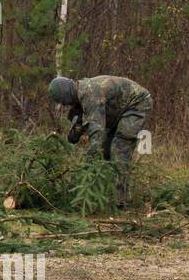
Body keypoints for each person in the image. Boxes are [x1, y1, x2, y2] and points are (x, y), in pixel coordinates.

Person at [48, 75, 153, 208]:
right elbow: (84, 121)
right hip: (119, 111)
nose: (65, 105)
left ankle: (121, 201)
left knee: (119, 147)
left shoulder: (90, 94)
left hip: (137, 104)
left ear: (67, 95)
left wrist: (89, 163)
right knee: (106, 150)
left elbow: (97, 130)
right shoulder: (81, 95)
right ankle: (106, 195)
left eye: (64, 102)